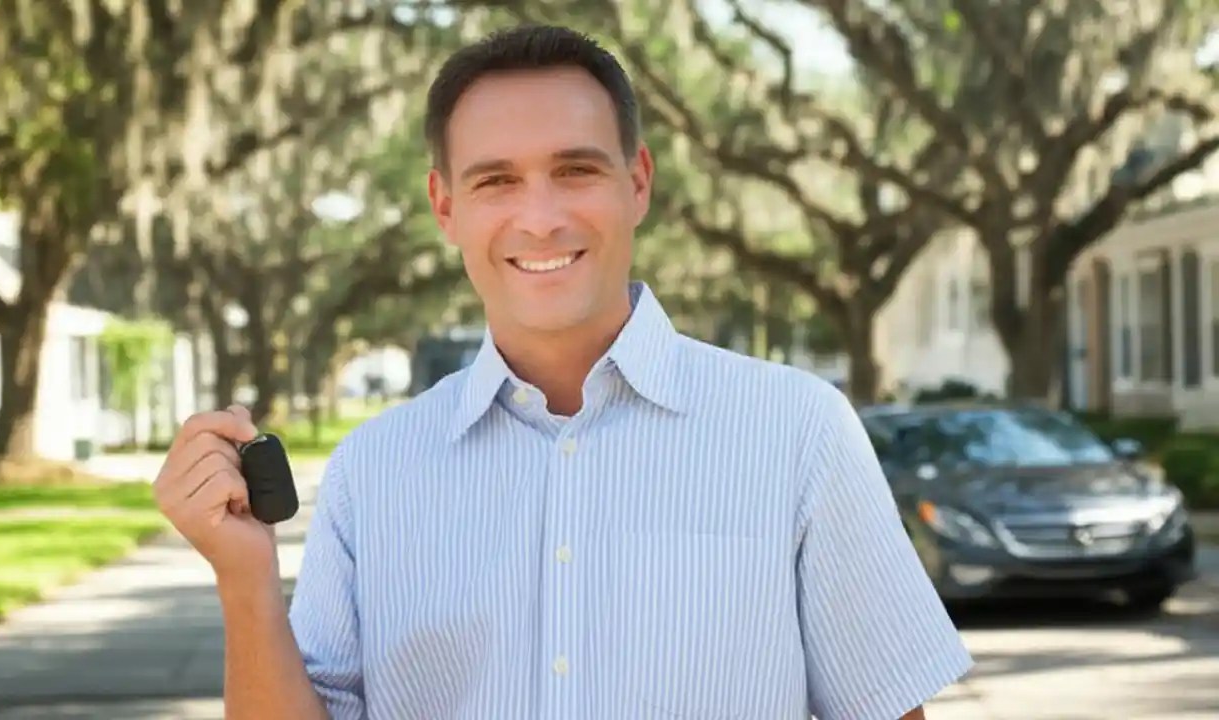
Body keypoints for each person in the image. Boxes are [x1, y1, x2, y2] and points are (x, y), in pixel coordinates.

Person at [154, 23, 973, 720]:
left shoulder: (799, 431)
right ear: (446, 207)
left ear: (637, 183)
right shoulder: (374, 471)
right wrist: (245, 577)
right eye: (496, 180)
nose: (539, 218)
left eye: (575, 170)